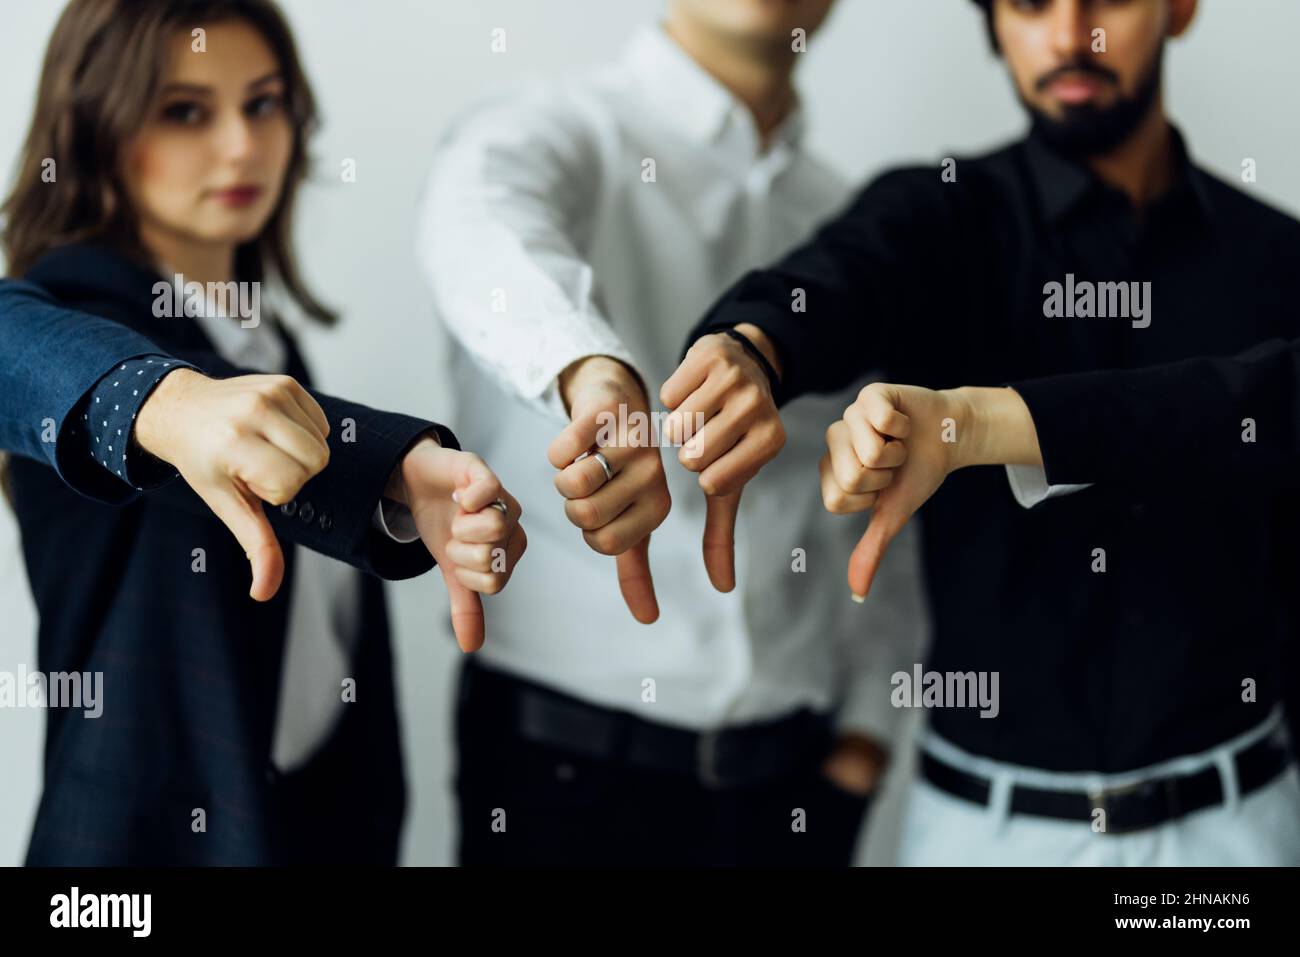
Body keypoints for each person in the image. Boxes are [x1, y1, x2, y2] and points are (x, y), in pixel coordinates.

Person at [670, 0, 1300, 864]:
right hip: (985, 837)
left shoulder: (1278, 258)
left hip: (1240, 828)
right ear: (995, 25)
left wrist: (980, 423)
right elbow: (838, 279)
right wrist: (752, 348)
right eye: (1031, 4)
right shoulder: (939, 214)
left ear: (1178, 9)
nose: (1071, 35)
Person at [0, 0, 523, 864]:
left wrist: (391, 485)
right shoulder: (78, 306)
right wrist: (161, 401)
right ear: (96, 126)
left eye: (265, 102)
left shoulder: (268, 344)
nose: (242, 145)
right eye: (186, 111)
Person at [417, 0, 925, 866]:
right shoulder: (549, 130)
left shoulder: (847, 218)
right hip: (565, 784)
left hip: (794, 789)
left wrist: (868, 738)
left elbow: (881, 490)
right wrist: (591, 368)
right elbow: (478, 231)